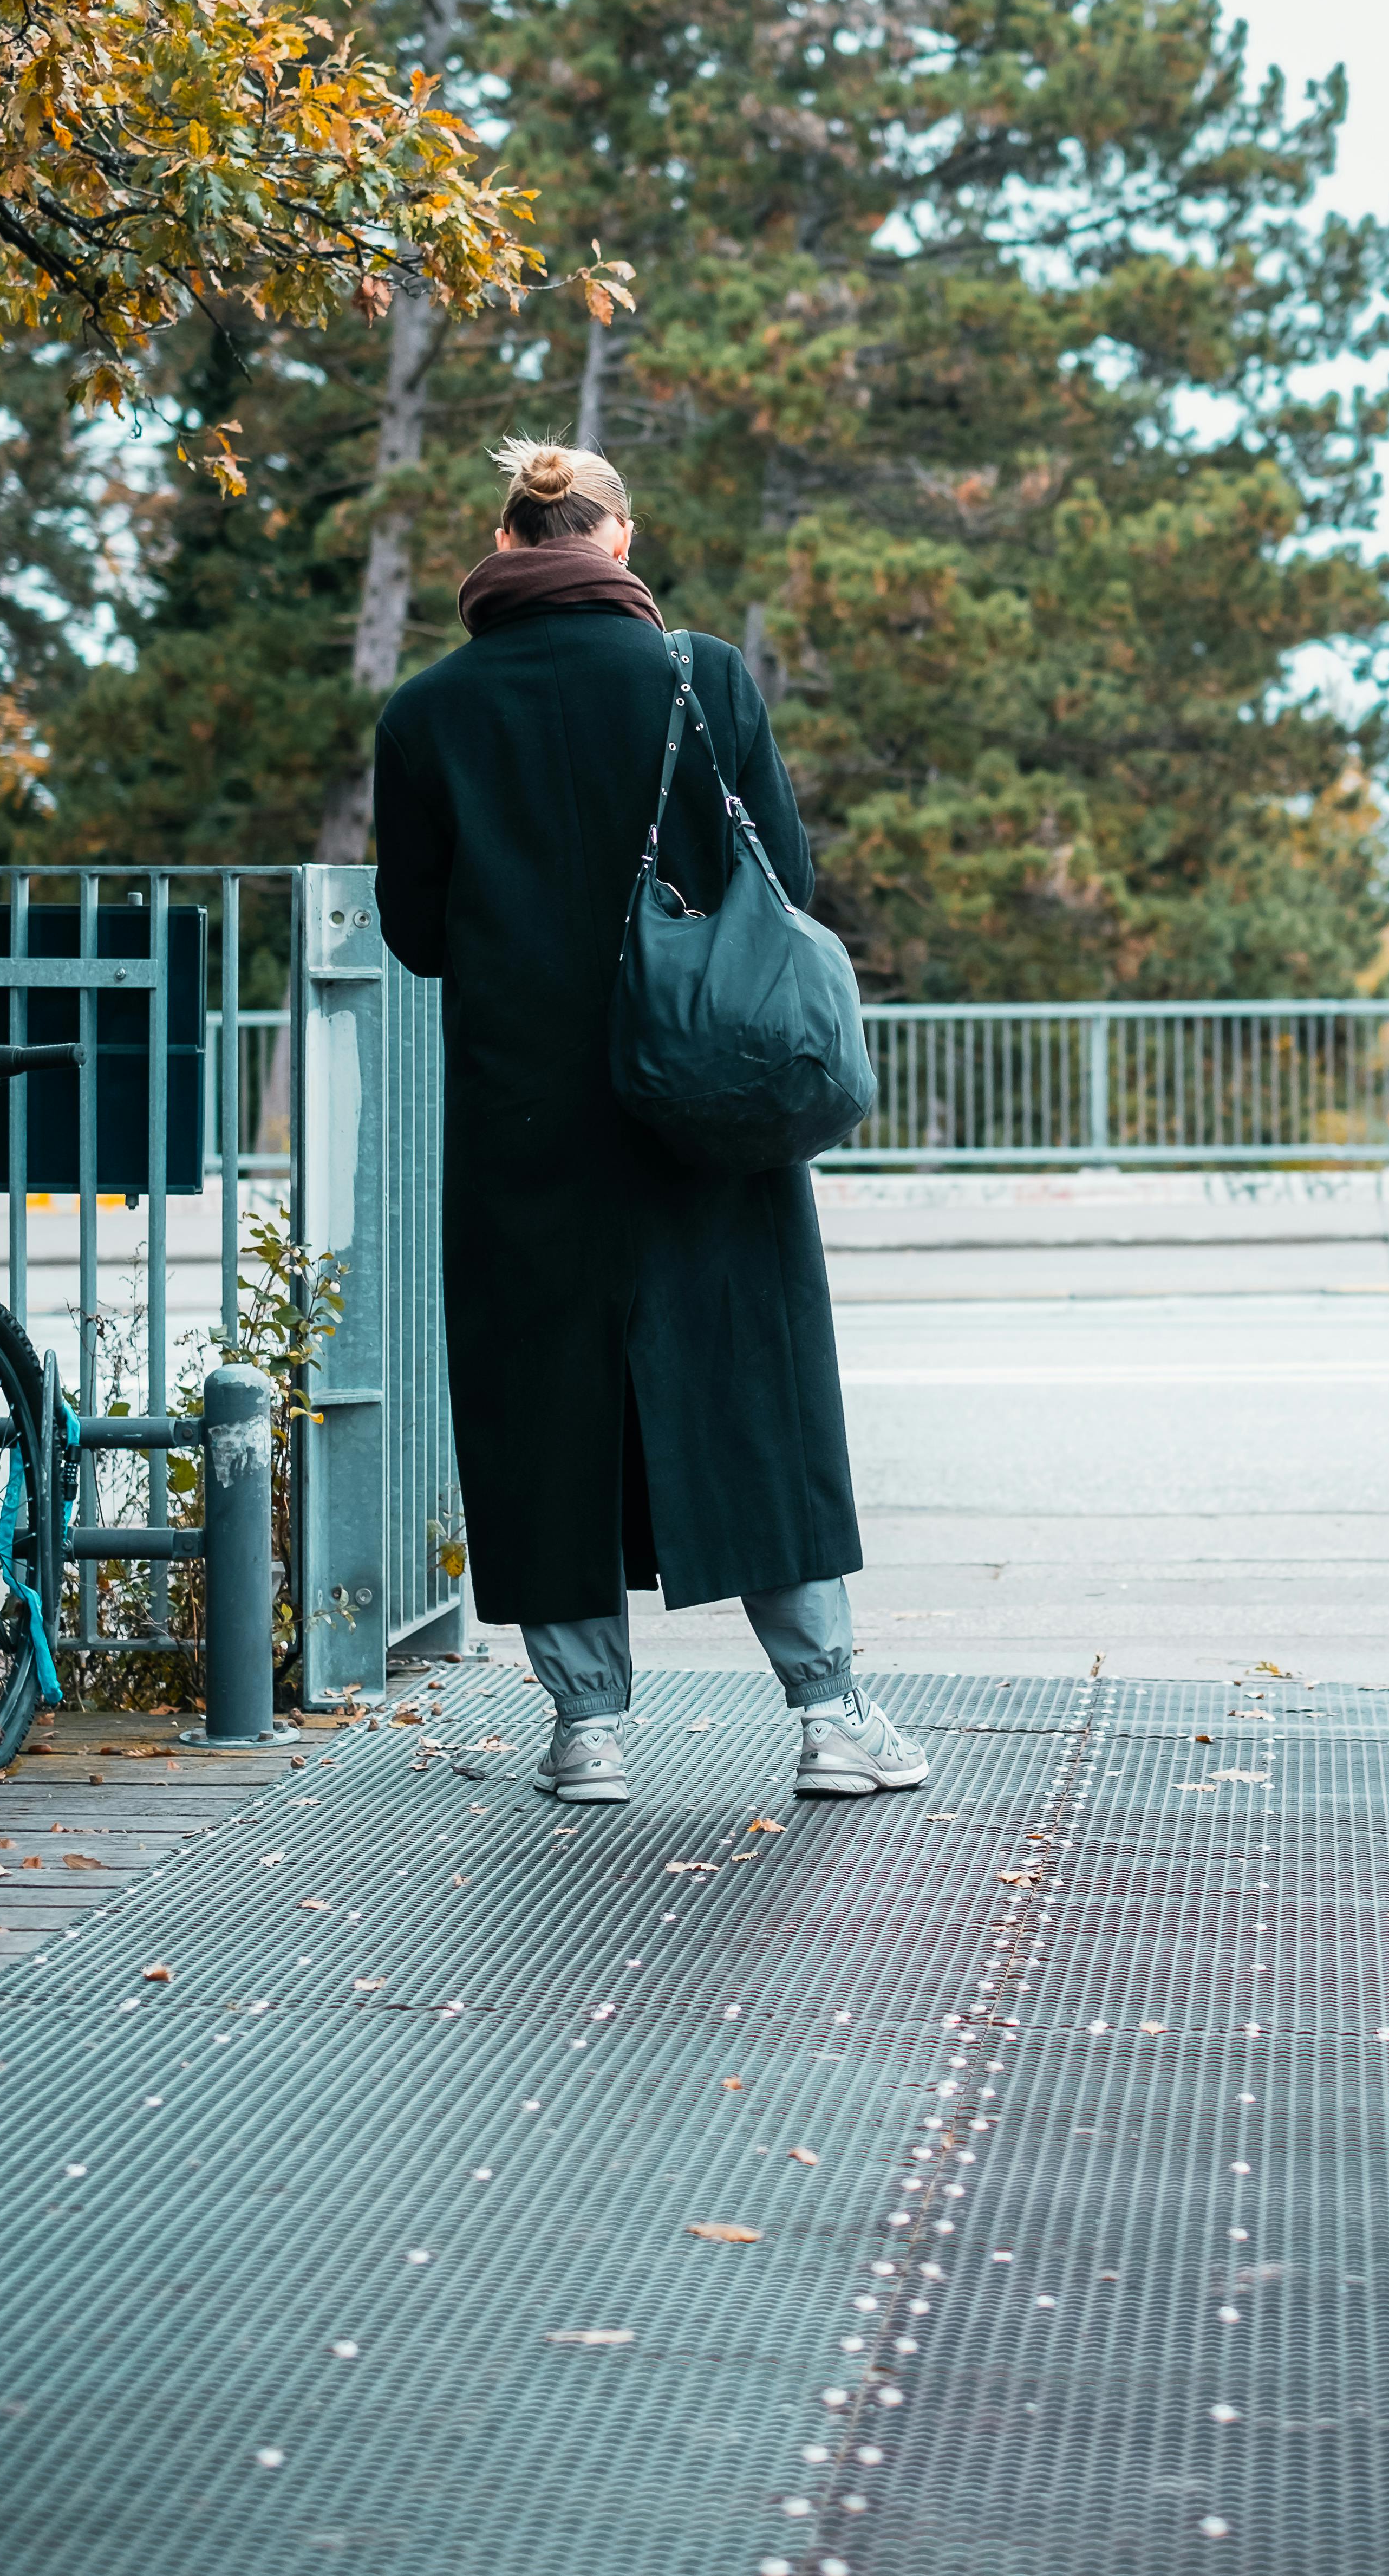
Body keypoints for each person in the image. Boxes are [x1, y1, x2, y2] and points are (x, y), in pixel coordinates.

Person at [373, 437, 927, 1806]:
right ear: (612, 541)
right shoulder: (706, 677)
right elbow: (779, 880)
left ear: (508, 543)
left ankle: (587, 1733)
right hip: (703, 1104)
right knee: (752, 1390)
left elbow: (416, 934)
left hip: (526, 1121)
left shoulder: (428, 712)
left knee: (542, 1404)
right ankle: (829, 1716)